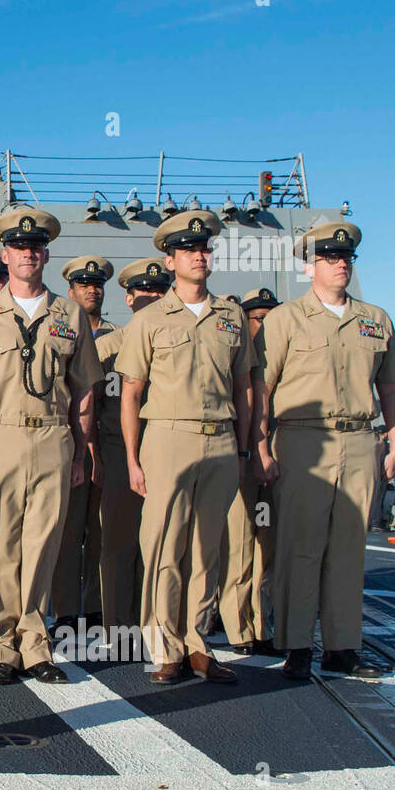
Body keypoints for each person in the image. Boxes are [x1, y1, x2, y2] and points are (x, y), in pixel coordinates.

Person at [253, 221, 395, 680]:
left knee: (349, 548)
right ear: (310, 265)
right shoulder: (284, 320)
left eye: (346, 258)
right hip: (302, 441)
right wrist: (260, 444)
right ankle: (297, 645)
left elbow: (390, 385)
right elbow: (262, 386)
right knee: (301, 545)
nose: (340, 264)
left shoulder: (376, 319)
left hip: (361, 441)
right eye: (330, 257)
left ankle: (342, 647)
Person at [0, 208, 102, 686]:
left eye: (37, 247)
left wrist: (81, 453)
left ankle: (35, 644)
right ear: (6, 254)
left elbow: (84, 389)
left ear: (45, 254)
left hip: (52, 436)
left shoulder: (70, 315)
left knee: (44, 544)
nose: (28, 253)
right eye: (20, 247)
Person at [116, 210, 252, 685]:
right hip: (168, 438)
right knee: (164, 547)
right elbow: (132, 392)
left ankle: (198, 644)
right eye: (190, 250)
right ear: (170, 259)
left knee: (208, 549)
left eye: (205, 248)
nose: (200, 255)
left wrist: (243, 450)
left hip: (221, 438)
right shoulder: (149, 319)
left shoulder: (231, 316)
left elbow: (243, 388)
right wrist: (133, 459)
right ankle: (165, 649)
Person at [94, 260, 170, 639]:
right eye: (145, 292)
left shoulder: (172, 340)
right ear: (128, 298)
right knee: (119, 540)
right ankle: (117, 624)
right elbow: (87, 405)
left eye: (159, 291)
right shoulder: (106, 348)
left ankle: (155, 622)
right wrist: (92, 455)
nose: (153, 298)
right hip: (116, 451)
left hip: (166, 447)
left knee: (161, 543)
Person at [50, 256, 115, 633]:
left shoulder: (117, 338)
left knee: (99, 531)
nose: (92, 289)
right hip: (72, 445)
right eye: (84, 284)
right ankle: (64, 609)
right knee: (67, 532)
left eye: (98, 284)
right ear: (71, 291)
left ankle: (94, 606)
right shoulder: (61, 331)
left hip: (107, 447)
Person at [218, 287, 284, 656]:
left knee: (268, 546)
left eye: (269, 317)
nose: (264, 324)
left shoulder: (279, 357)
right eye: (257, 318)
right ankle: (237, 626)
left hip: (274, 455)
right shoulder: (232, 359)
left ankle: (262, 625)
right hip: (239, 456)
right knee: (239, 544)